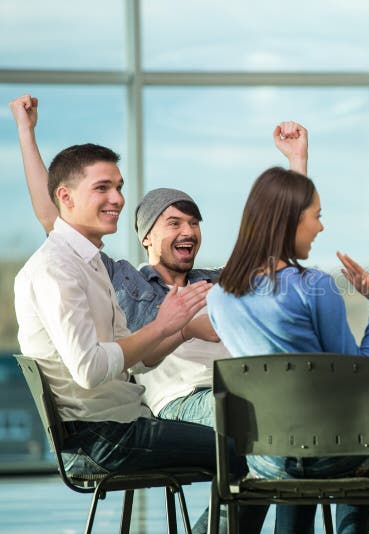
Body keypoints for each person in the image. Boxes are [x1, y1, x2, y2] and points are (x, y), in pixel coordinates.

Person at [9, 93, 308, 427]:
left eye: (194, 223)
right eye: (174, 223)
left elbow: (277, 250)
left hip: (241, 387)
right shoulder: (120, 279)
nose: (189, 231)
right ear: (146, 236)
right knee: (270, 411)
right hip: (183, 399)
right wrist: (26, 132)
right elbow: (56, 218)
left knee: (303, 398)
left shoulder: (215, 281)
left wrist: (297, 162)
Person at [12, 141, 264, 533]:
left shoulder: (88, 263)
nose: (117, 198)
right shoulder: (58, 269)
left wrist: (181, 329)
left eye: (118, 186)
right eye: (102, 188)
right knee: (245, 455)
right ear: (65, 196)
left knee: (247, 447)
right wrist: (165, 325)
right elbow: (90, 369)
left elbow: (140, 360)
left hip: (124, 420)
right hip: (103, 436)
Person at [206, 166, 369, 534]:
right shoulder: (313, 286)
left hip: (266, 460)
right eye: (317, 216)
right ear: (290, 219)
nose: (321, 227)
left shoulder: (219, 297)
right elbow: (359, 377)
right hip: (332, 457)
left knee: (301, 436)